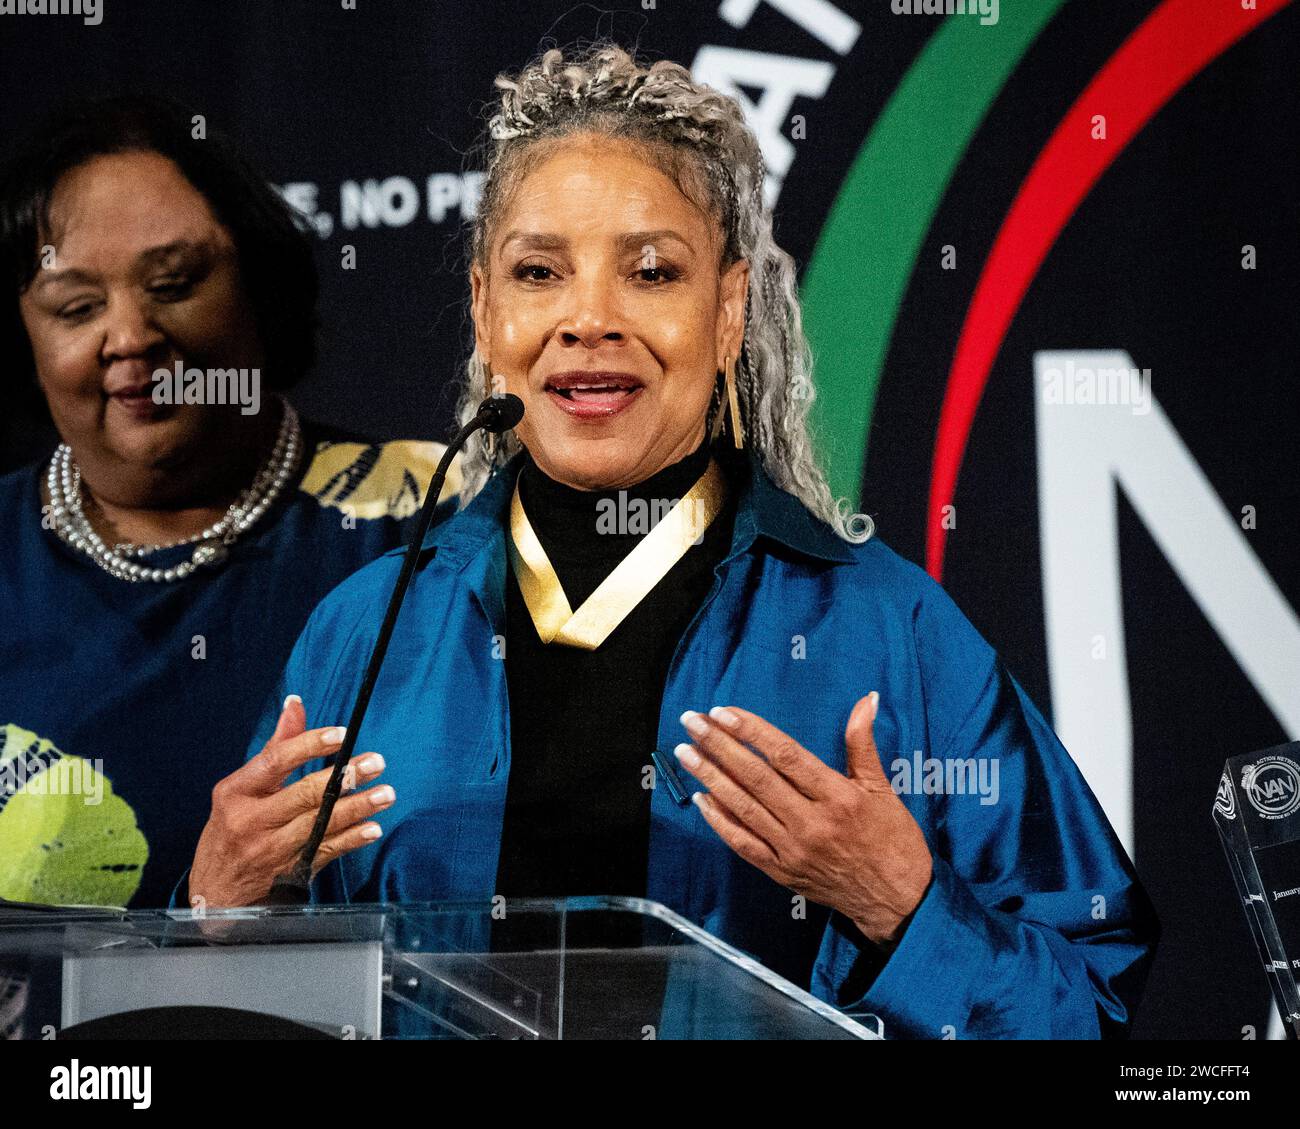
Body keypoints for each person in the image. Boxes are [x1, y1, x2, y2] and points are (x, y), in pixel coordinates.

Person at [189, 44, 1158, 1039]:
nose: (589, 319)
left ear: (729, 309)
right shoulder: (365, 631)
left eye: (651, 271)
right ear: (486, 310)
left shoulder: (889, 632)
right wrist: (217, 914)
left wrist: (901, 906)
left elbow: (1087, 1005)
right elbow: (248, 1014)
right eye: (538, 272)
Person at [0, 95, 448, 910]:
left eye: (173, 284)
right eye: (76, 307)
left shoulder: (429, 515)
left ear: (260, 290)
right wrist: (202, 916)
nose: (130, 335)